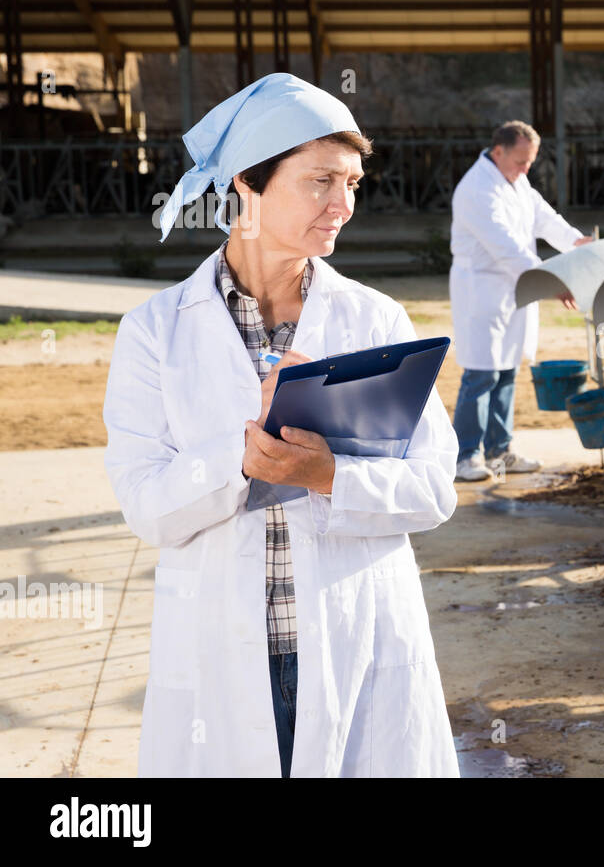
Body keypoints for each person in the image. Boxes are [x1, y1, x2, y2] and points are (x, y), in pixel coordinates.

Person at [103, 72, 460, 777]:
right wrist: (240, 460)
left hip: (353, 637)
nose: (343, 204)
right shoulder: (153, 332)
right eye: (320, 180)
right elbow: (146, 505)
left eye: (354, 182)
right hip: (223, 651)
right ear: (248, 184)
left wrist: (325, 474)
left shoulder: (374, 320)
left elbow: (434, 487)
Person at [448, 120, 592, 482]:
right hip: (481, 288)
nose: (527, 168)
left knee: (508, 370)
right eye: (521, 161)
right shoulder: (476, 189)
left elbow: (544, 218)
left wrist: (575, 242)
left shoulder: (516, 180)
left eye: (530, 162)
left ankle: (501, 451)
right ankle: (466, 455)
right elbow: (506, 247)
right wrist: (551, 280)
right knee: (481, 373)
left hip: (514, 289)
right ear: (498, 152)